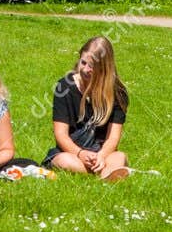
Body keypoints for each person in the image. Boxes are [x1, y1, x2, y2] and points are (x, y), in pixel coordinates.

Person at [45, 36, 130, 181]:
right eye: (83, 62)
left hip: (102, 153)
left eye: (91, 66)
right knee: (64, 160)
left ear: (104, 69)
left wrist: (101, 156)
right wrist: (81, 154)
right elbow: (61, 135)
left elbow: (113, 138)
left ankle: (104, 169)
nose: (85, 69)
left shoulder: (118, 93)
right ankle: (106, 172)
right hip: (71, 152)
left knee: (119, 156)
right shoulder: (64, 87)